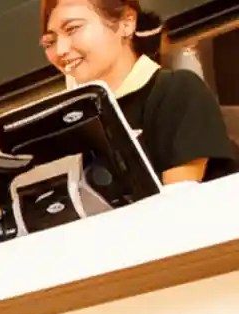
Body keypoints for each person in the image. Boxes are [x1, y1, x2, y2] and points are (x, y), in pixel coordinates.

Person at [40, 0, 237, 183]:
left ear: (126, 23)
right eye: (49, 42)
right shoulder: (70, 124)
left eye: (73, 29)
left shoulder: (175, 91)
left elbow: (179, 205)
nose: (60, 50)